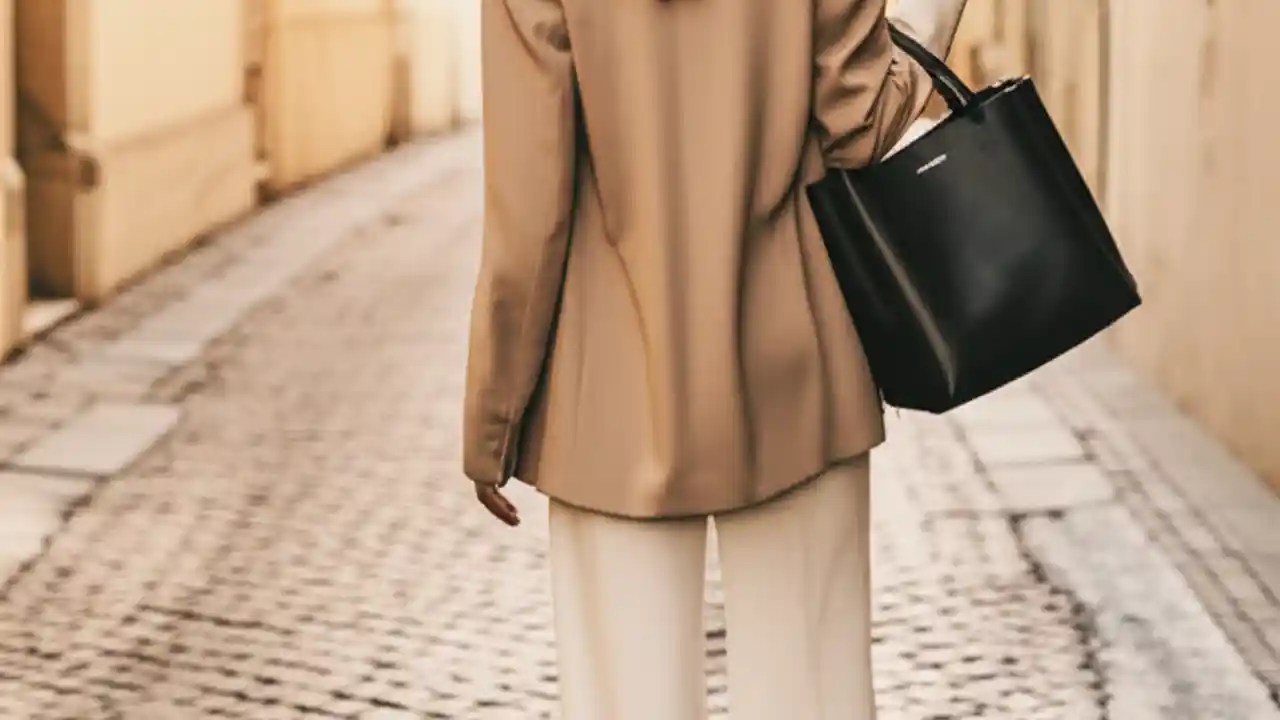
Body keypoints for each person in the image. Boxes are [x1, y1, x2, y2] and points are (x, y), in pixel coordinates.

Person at [463, 0, 968, 716]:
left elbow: (528, 202)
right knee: (812, 694)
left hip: (612, 389)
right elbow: (863, 125)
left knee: (624, 699)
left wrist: (495, 415)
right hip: (799, 365)